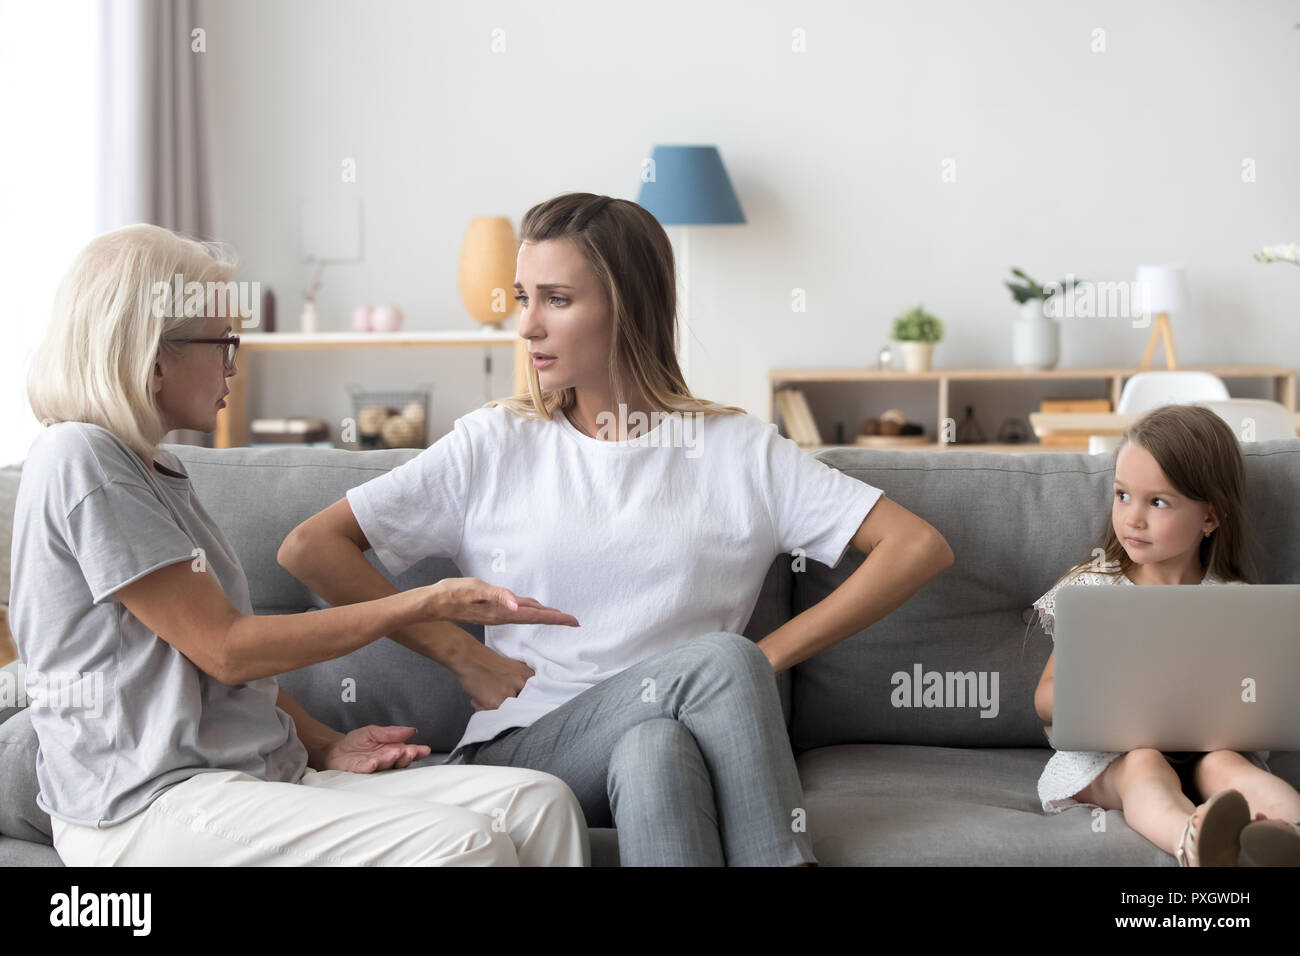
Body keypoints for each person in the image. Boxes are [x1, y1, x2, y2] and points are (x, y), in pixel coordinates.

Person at [279, 192, 955, 866]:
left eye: (557, 300)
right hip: (526, 754)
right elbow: (311, 547)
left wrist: (759, 662)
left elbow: (916, 547)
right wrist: (460, 654)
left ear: (627, 305)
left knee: (655, 744)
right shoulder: (495, 443)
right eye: (523, 298)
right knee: (716, 665)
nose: (527, 326)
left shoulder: (739, 451)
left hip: (672, 739)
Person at [11, 223, 589, 866]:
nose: (234, 361)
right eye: (223, 343)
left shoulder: (158, 469)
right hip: (142, 805)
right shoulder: (79, 457)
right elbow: (227, 650)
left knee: (539, 804)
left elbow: (203, 668)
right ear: (154, 353)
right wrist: (423, 602)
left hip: (250, 782)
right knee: (465, 845)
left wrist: (322, 742)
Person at [1031, 404, 1300, 866]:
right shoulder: (1093, 590)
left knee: (1227, 766)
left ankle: (1286, 832)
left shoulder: (1235, 601)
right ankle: (1193, 844)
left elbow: (1262, 699)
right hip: (1112, 758)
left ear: (1210, 519)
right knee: (1144, 765)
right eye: (1121, 495)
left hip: (1209, 751)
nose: (1132, 517)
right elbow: (1045, 698)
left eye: (1157, 502)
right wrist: (1115, 696)